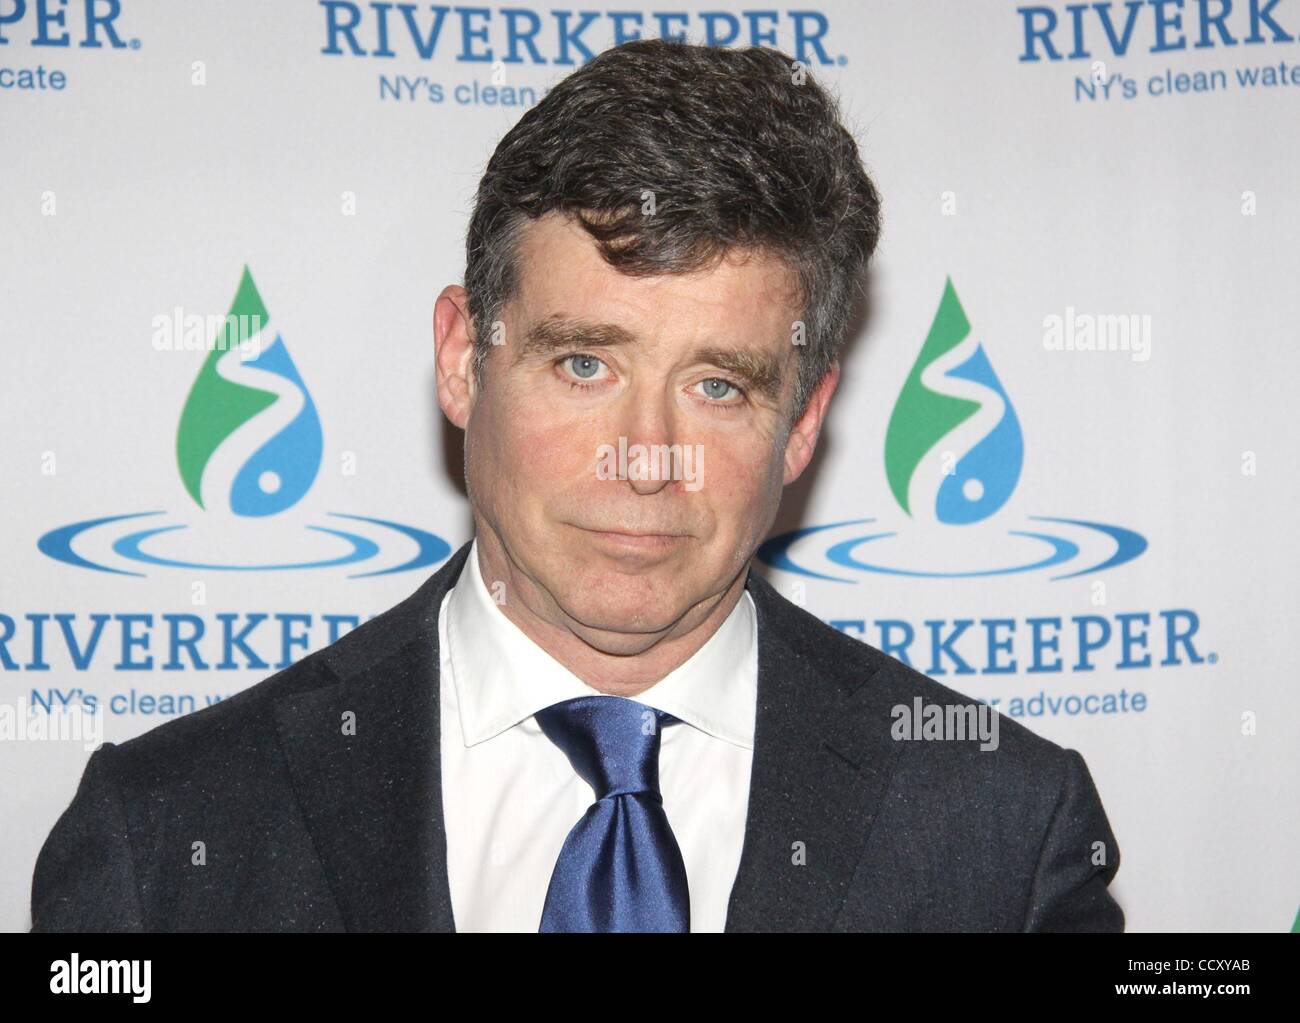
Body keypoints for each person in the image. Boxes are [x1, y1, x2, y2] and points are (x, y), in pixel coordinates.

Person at [30, 38, 1123, 932]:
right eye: (584, 364)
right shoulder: (166, 837)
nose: (645, 456)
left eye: (717, 386)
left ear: (803, 424)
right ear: (464, 360)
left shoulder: (1002, 832)